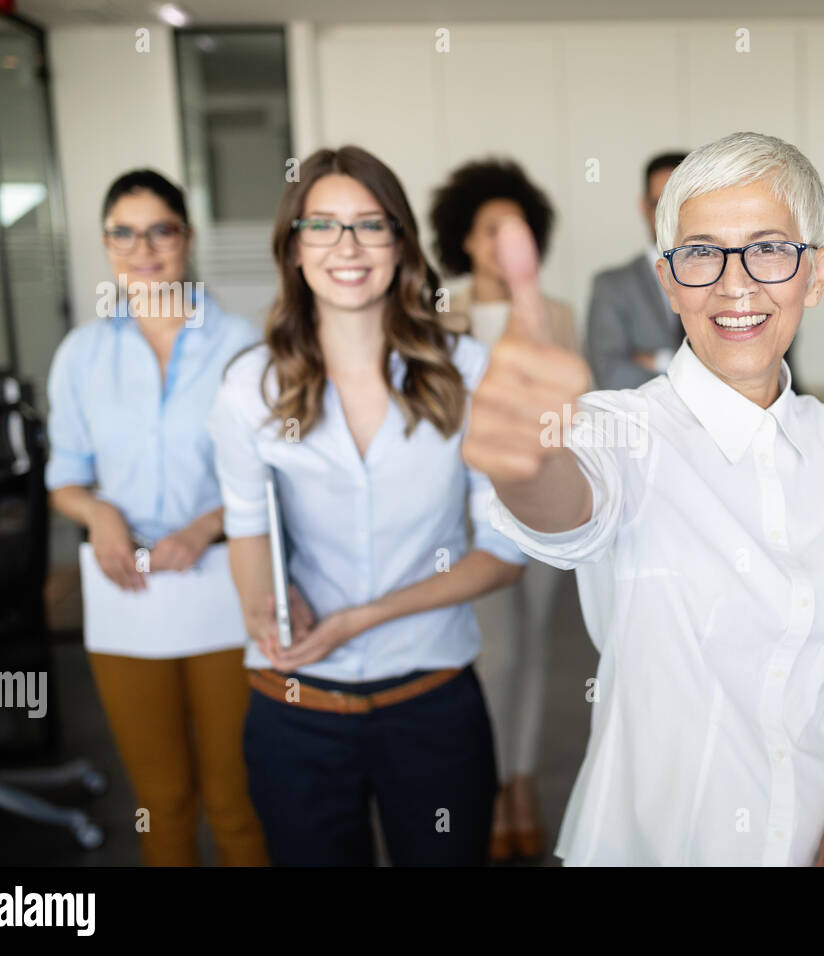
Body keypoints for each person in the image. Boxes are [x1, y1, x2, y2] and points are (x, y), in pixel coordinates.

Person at [463, 131, 824, 866]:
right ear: (669, 281)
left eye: (768, 249)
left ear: (816, 274)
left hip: (818, 839)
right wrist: (526, 458)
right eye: (701, 254)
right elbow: (566, 504)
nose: (735, 285)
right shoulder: (622, 430)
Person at [207, 146, 525, 867]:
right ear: (293, 248)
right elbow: (246, 528)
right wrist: (265, 601)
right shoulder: (249, 386)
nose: (346, 247)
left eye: (370, 225)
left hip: (433, 707)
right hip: (296, 713)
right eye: (322, 225)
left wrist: (364, 617)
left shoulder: (465, 370)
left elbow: (505, 554)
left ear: (400, 243)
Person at [46, 169, 268, 866]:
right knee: (160, 796)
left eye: (159, 230)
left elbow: (273, 468)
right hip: (127, 596)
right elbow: (64, 477)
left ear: (186, 238)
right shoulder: (82, 353)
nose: (142, 248)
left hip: (223, 585)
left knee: (237, 795)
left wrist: (206, 526)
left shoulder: (241, 342)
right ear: (107, 244)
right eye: (124, 232)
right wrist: (98, 510)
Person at [429, 158, 574, 861]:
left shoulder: (556, 315)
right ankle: (487, 789)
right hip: (462, 515)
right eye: (488, 230)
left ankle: (519, 783)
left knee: (537, 650)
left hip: (539, 506)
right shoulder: (432, 316)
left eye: (512, 231)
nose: (499, 243)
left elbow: (578, 415)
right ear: (463, 239)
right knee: (497, 656)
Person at [585, 151, 688, 389]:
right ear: (644, 207)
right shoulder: (611, 286)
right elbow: (611, 376)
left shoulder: (730, 276)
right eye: (659, 204)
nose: (669, 217)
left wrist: (658, 360)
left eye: (681, 204)